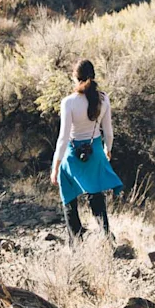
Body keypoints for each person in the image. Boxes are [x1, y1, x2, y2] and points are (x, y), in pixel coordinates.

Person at [50, 60, 122, 242]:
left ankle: (76, 241)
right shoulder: (104, 99)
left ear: (75, 78)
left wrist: (55, 166)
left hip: (72, 155)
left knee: (68, 196)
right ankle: (106, 236)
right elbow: (109, 132)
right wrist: (107, 150)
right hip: (95, 151)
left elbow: (63, 138)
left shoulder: (68, 102)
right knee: (96, 194)